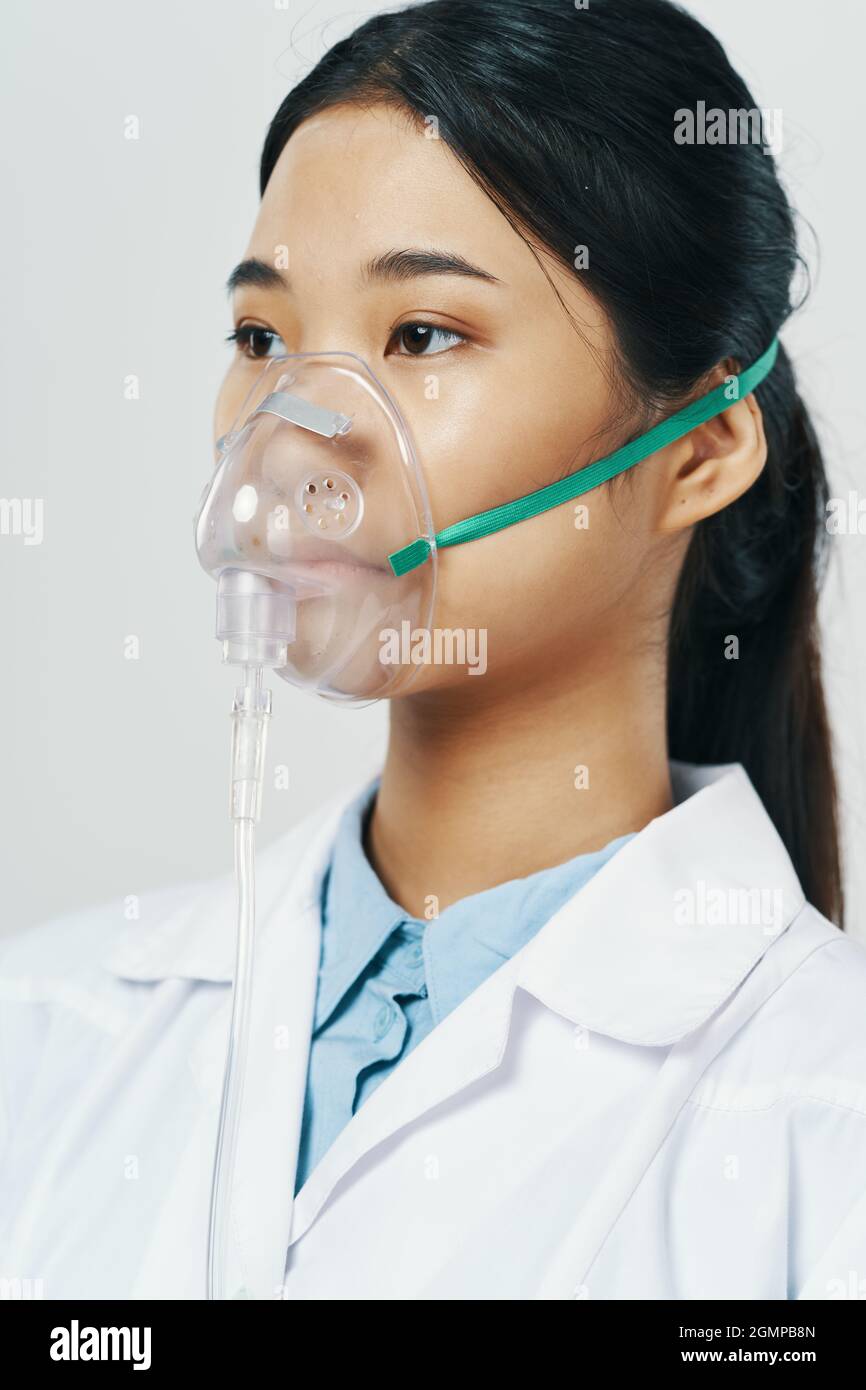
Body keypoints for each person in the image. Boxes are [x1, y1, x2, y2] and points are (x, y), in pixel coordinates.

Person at [2, 0, 866, 1301]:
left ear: (696, 448)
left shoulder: (823, 1115)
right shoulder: (44, 1029)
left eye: (422, 335)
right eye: (261, 340)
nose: (292, 433)